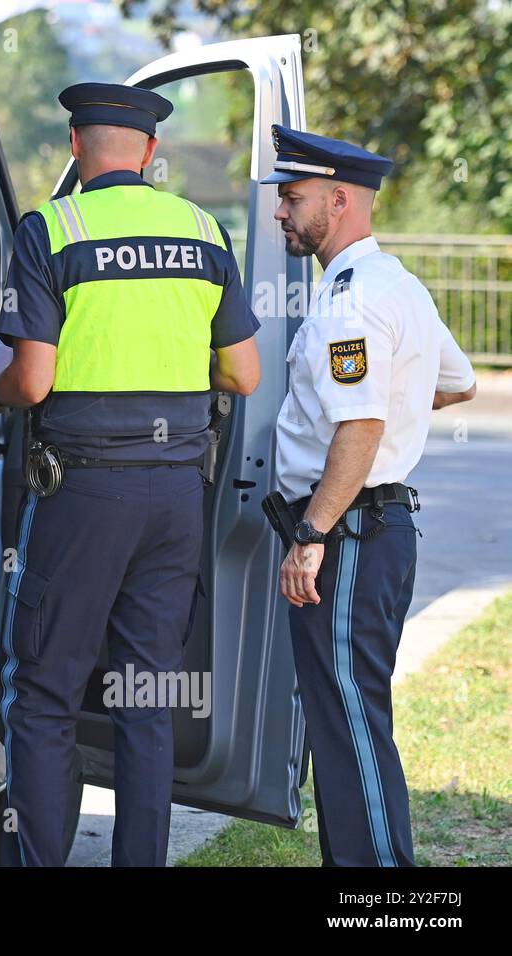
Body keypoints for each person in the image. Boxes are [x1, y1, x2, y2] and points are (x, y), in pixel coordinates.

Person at [0, 82, 262, 867]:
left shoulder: (52, 227)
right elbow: (245, 373)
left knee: (46, 694)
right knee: (148, 699)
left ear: (74, 146)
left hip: (83, 491)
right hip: (175, 497)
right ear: (151, 155)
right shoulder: (203, 229)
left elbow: (30, 380)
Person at [262, 125, 476, 866]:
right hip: (372, 525)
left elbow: (361, 420)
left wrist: (312, 533)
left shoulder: (351, 302)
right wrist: (395, 419)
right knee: (344, 718)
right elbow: (458, 381)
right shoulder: (397, 285)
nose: (282, 214)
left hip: (349, 533)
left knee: (350, 724)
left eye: (292, 199)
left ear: (339, 200)